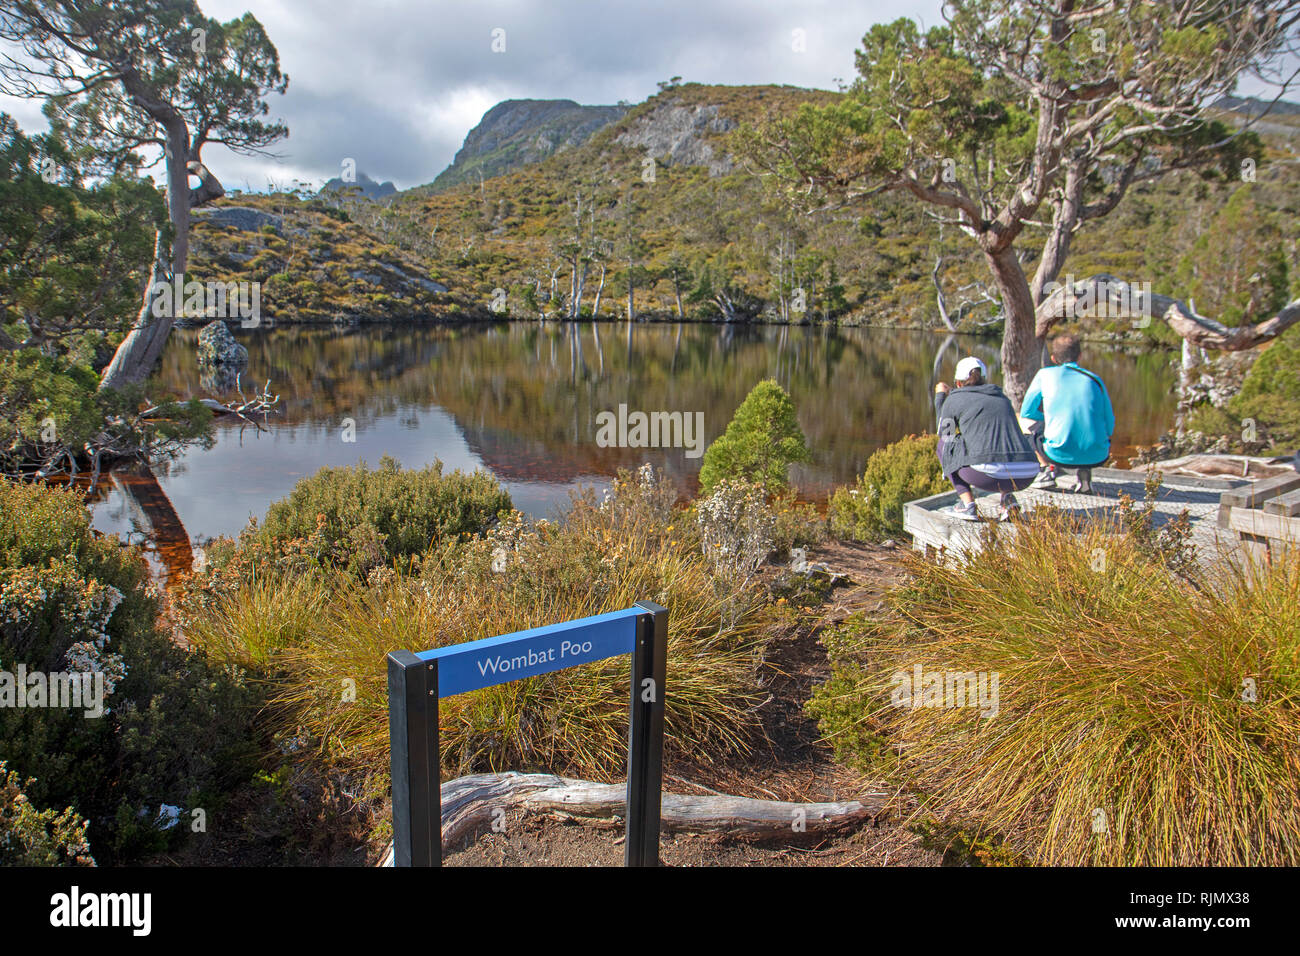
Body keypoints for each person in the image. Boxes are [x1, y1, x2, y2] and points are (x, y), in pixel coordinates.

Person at [934, 356, 1041, 521]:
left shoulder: (954, 398)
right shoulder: (1002, 398)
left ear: (959, 383)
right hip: (1027, 473)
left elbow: (944, 433)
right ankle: (1008, 501)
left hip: (988, 476)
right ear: (984, 380)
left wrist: (941, 397)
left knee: (944, 445)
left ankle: (967, 505)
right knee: (1001, 441)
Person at [1020, 334, 1116, 494]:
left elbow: (1027, 411)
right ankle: (1084, 477)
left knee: (1023, 421)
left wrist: (1049, 421)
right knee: (1087, 428)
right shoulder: (1095, 380)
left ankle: (1046, 471)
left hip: (1057, 453)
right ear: (1080, 356)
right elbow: (1109, 423)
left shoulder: (1044, 375)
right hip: (1098, 454)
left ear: (1053, 358)